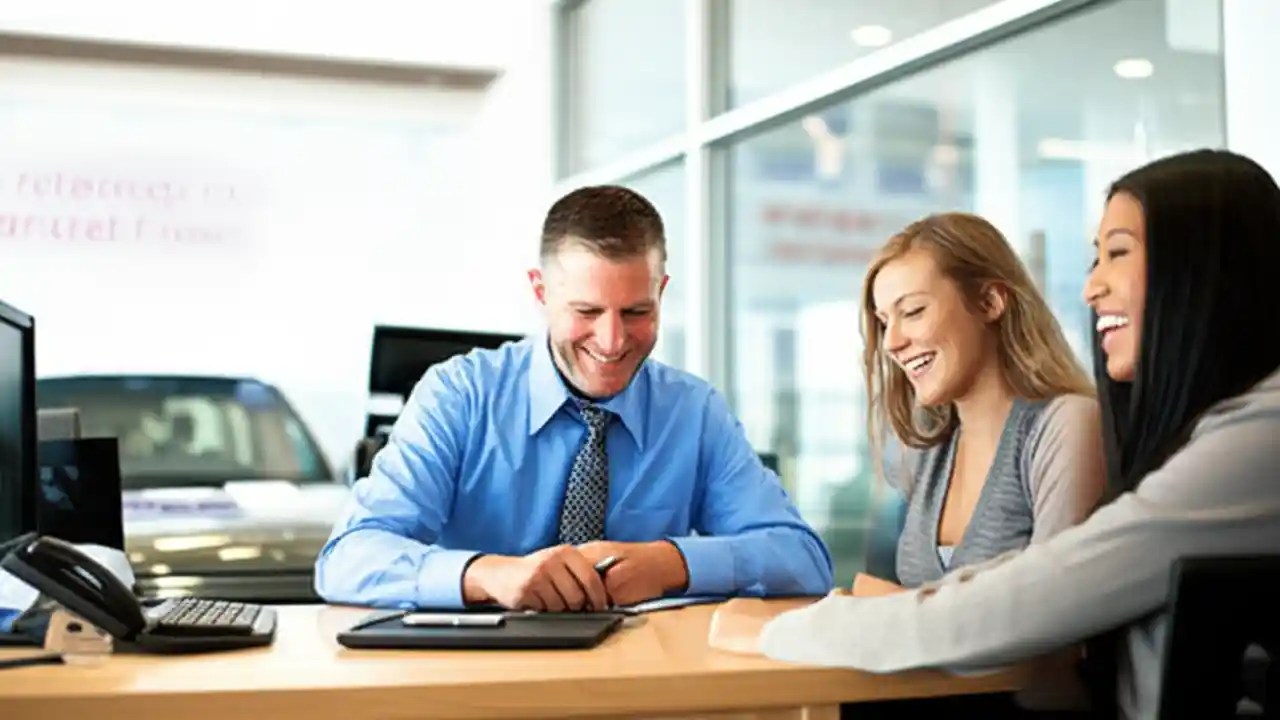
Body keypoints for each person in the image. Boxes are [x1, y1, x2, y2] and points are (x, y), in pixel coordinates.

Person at [714, 149, 1280, 719]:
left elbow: (1047, 598)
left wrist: (788, 630)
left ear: (1204, 270)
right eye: (1094, 258)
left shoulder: (1258, 439)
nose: (1090, 288)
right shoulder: (1209, 431)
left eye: (1118, 253)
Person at [315, 185, 833, 612]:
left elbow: (803, 559)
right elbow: (346, 558)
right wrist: (491, 575)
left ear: (662, 292)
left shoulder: (693, 412)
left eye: (636, 312)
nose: (612, 342)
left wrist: (670, 562)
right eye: (586, 311)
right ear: (541, 293)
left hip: (642, 691)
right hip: (474, 686)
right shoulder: (459, 396)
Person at [854, 213, 1104, 597]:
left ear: (989, 302)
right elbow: (872, 594)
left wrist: (894, 610)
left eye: (914, 312)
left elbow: (1052, 614)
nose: (891, 343)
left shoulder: (1065, 426)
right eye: (886, 322)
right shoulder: (924, 450)